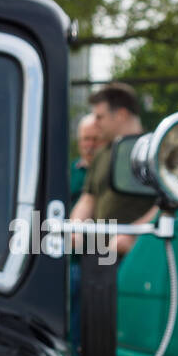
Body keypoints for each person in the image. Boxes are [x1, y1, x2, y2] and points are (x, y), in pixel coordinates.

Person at [69, 82, 158, 259]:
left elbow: (166, 204)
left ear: (121, 114)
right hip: (98, 258)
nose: (95, 122)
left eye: (99, 117)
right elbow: (88, 198)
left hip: (137, 257)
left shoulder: (154, 150)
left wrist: (133, 234)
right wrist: (74, 228)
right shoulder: (102, 153)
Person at [69, 113, 103, 208]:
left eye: (95, 139)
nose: (91, 144)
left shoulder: (114, 171)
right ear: (79, 141)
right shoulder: (68, 172)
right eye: (86, 139)